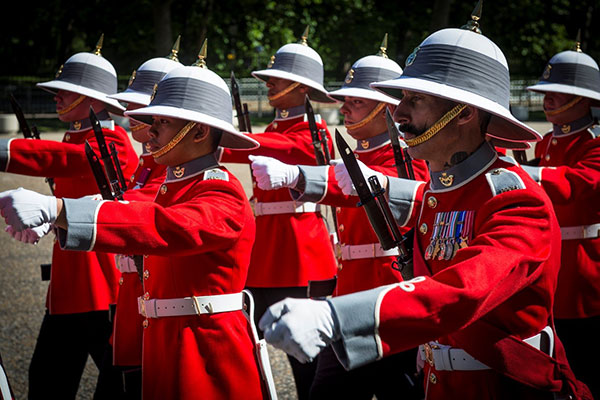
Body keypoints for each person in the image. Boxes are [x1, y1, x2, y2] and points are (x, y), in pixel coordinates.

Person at [257, 11, 593, 400]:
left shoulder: (515, 200)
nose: (398, 113)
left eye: (414, 100)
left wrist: (338, 317)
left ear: (464, 113)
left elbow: (463, 290)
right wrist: (306, 178)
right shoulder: (448, 189)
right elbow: (415, 198)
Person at [0, 52, 267, 400]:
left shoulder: (222, 191)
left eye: (163, 122)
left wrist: (60, 208)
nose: (150, 131)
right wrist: (57, 215)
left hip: (204, 354)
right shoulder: (177, 185)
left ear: (199, 131)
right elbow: (138, 205)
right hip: (163, 341)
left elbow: (164, 226)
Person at [250, 38, 428, 399]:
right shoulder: (360, 162)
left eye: (356, 101)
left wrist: (299, 175)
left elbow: (358, 187)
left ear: (385, 109)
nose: (344, 109)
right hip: (348, 299)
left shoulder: (411, 161)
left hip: (390, 300)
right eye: (345, 100)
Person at [0, 37, 138, 399]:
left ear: (91, 99)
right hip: (70, 285)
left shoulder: (114, 142)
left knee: (118, 388)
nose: (56, 97)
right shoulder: (74, 136)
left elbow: (57, 158)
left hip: (105, 286)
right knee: (46, 380)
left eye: (66, 91)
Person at [219, 27, 338, 399]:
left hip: (299, 254)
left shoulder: (313, 131)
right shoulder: (276, 124)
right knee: (247, 340)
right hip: (269, 253)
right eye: (270, 78)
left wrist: (216, 136)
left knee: (304, 359)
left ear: (302, 88)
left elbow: (277, 147)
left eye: (278, 79)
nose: (269, 83)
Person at [92, 39, 183, 399]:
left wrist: (69, 211)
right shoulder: (149, 163)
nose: (129, 115)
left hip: (158, 306)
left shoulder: (171, 169)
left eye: (140, 109)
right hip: (135, 302)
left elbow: (148, 211)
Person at [523, 39, 600, 398]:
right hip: (552, 264)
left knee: (588, 359)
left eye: (556, 93)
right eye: (547, 92)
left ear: (582, 98)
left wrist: (528, 175)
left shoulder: (595, 142)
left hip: (585, 270)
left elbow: (578, 185)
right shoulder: (547, 142)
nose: (547, 99)